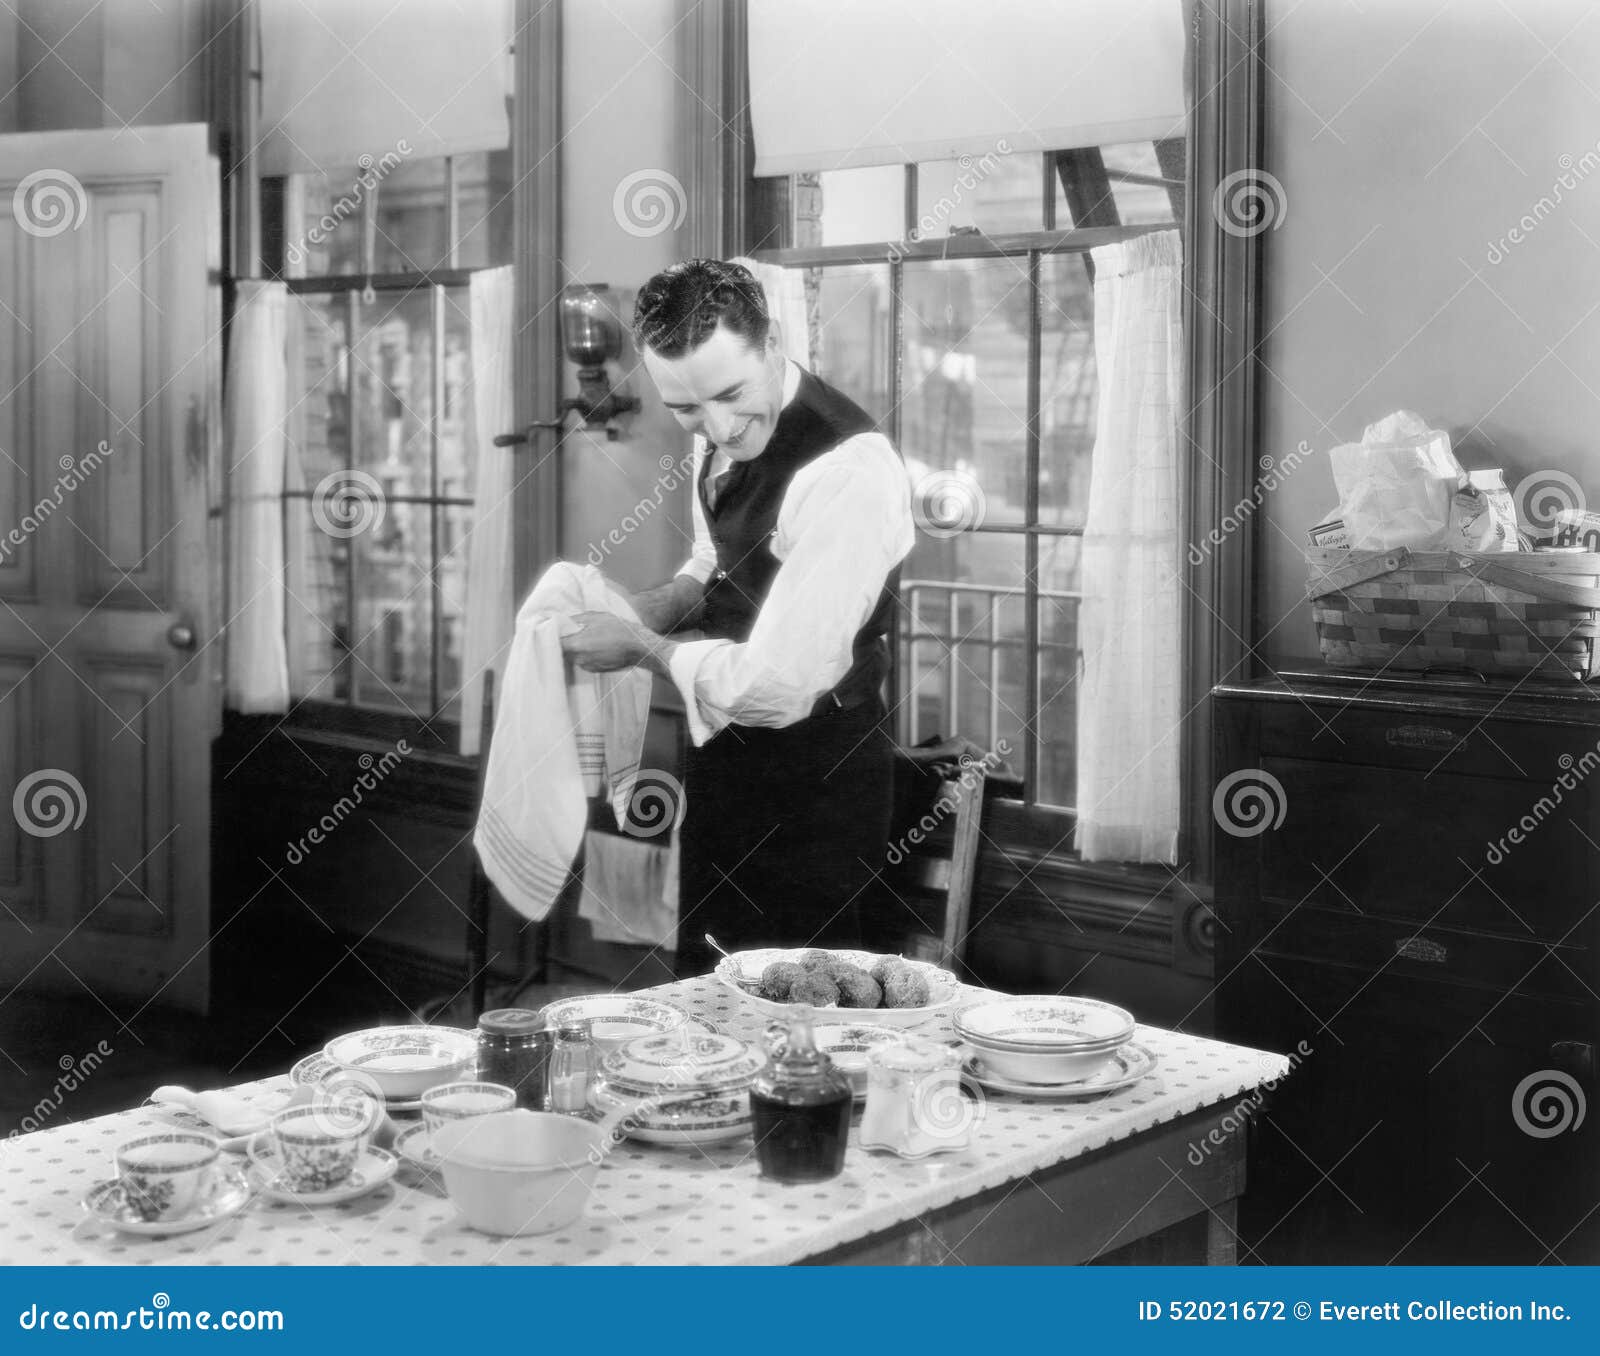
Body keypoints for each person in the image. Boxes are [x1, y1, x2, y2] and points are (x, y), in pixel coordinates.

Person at [560, 258, 913, 978]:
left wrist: (638, 644)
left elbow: (778, 685)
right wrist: (647, 607)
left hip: (820, 776)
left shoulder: (848, 471)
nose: (717, 425)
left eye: (729, 394)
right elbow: (712, 561)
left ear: (772, 342)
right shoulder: (719, 423)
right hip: (723, 759)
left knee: (805, 1026)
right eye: (687, 408)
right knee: (709, 991)